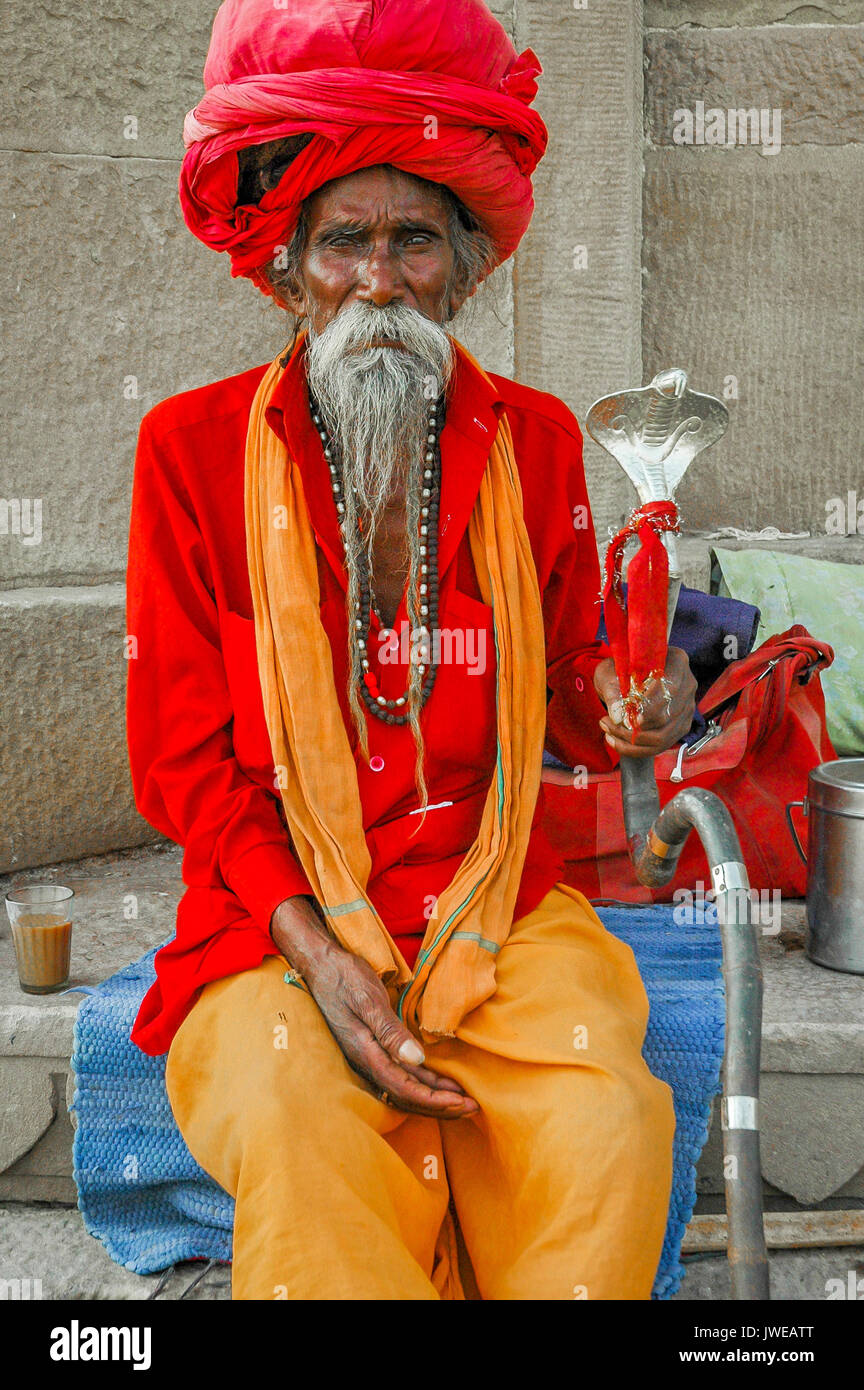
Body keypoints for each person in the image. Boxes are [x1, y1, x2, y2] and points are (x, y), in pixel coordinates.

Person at [126, 0, 696, 1300]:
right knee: (297, 1121)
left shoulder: (535, 441)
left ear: (467, 267)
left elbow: (575, 700)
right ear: (288, 270)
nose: (379, 282)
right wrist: (323, 960)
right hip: (270, 920)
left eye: (414, 242)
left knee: (608, 1119)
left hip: (495, 905)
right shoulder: (190, 453)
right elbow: (182, 766)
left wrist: (636, 700)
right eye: (345, 243)